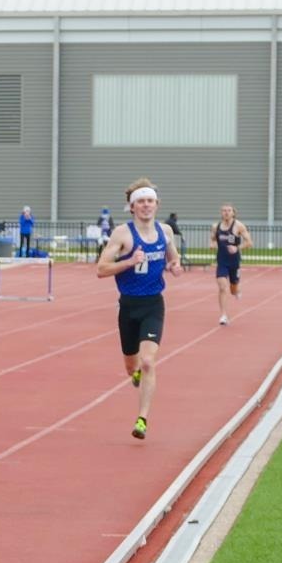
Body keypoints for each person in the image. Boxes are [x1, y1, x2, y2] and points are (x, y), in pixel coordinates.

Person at [96, 178, 180, 440]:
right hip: (128, 306)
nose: (146, 205)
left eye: (150, 201)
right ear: (132, 207)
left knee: (148, 362)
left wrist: (174, 265)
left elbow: (173, 256)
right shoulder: (122, 234)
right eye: (141, 201)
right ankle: (134, 374)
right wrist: (129, 261)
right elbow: (101, 270)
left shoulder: (165, 231)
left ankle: (142, 419)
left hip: (153, 304)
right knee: (132, 366)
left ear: (157, 204)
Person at [211, 203, 251, 326]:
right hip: (222, 262)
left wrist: (237, 248)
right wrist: (213, 244)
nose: (226, 213)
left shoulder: (239, 226)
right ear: (221, 213)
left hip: (234, 262)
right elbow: (213, 239)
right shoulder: (216, 226)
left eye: (229, 210)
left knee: (233, 290)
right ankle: (223, 315)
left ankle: (237, 290)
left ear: (233, 213)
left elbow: (249, 242)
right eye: (224, 210)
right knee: (222, 287)